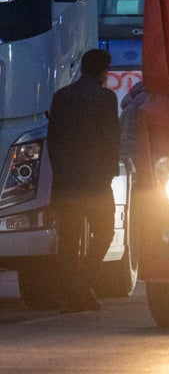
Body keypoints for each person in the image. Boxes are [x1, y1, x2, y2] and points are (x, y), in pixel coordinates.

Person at [47, 48, 120, 313]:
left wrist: (60, 173)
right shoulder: (106, 98)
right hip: (96, 183)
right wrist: (111, 172)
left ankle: (74, 293)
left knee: (69, 240)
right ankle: (81, 285)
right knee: (105, 233)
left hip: (66, 182)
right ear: (103, 72)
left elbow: (52, 141)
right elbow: (111, 138)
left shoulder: (61, 97)